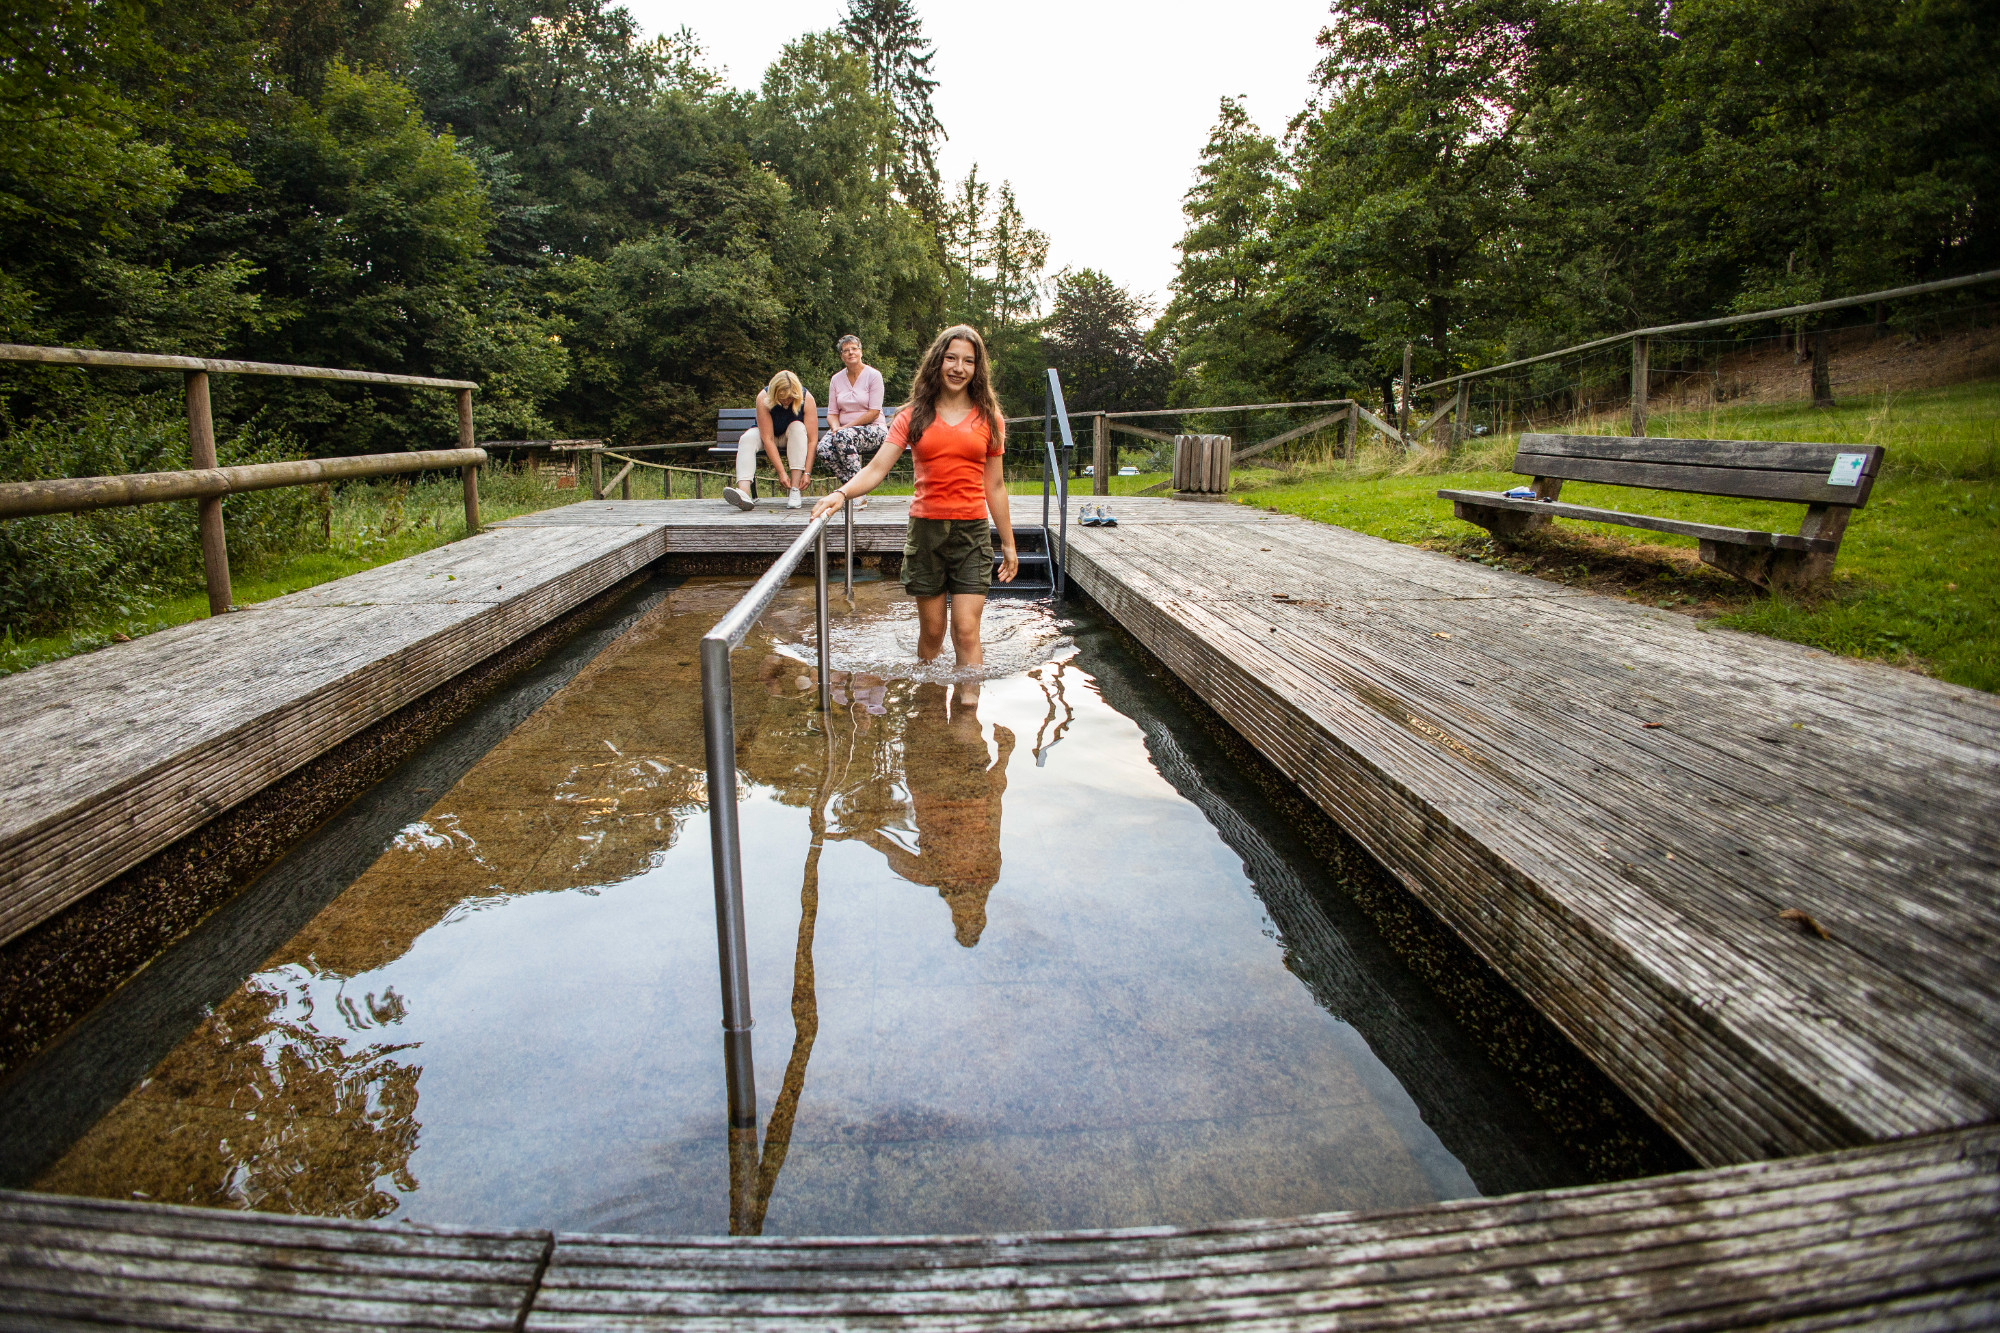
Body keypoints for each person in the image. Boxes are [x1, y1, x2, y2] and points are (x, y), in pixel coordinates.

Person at [811, 325, 1018, 665]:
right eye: (951, 358)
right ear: (937, 361)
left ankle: (969, 710)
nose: (958, 368)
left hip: (972, 534)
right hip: (926, 533)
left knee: (966, 630)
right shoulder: (912, 416)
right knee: (934, 632)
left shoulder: (990, 419)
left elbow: (994, 486)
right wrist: (841, 494)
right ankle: (931, 701)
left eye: (968, 361)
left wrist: (1008, 545)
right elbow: (877, 469)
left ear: (977, 368)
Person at [725, 370, 818, 511]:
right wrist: (781, 472)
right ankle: (743, 494)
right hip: (767, 435)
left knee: (798, 427)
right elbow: (767, 438)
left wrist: (807, 473)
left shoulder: (807, 398)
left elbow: (812, 440)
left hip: (791, 436)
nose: (786, 401)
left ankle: (795, 490)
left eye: (790, 398)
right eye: (782, 398)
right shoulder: (763, 397)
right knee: (747, 439)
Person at [820, 335, 886, 509]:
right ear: (841, 356)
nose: (850, 353)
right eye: (846, 350)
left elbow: (874, 412)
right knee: (823, 449)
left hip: (873, 429)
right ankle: (853, 487)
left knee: (842, 437)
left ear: (861, 352)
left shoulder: (874, 376)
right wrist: (835, 428)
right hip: (842, 431)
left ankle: (858, 494)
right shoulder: (836, 379)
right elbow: (832, 413)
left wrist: (845, 428)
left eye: (854, 349)